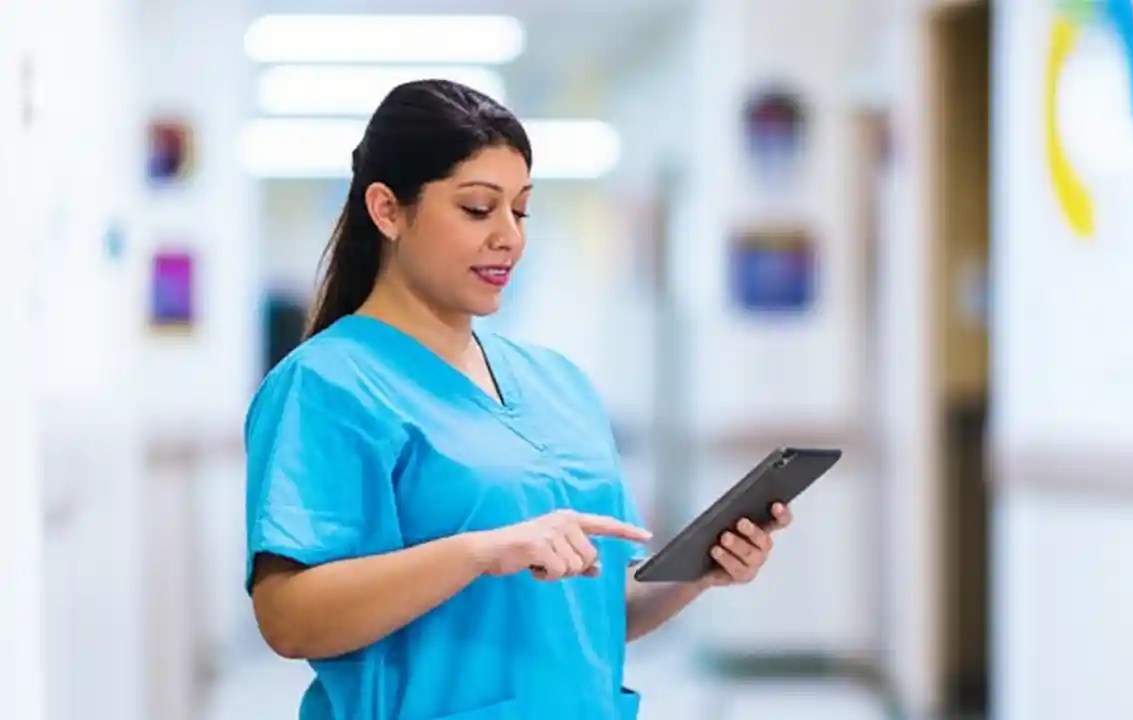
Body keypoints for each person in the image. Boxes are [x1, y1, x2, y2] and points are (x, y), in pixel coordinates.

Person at [243, 79, 794, 720]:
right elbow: (288, 619)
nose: (509, 236)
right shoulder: (327, 385)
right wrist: (479, 551)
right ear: (388, 210)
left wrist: (698, 569)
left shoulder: (559, 384)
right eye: (478, 209)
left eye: (521, 210)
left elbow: (595, 613)